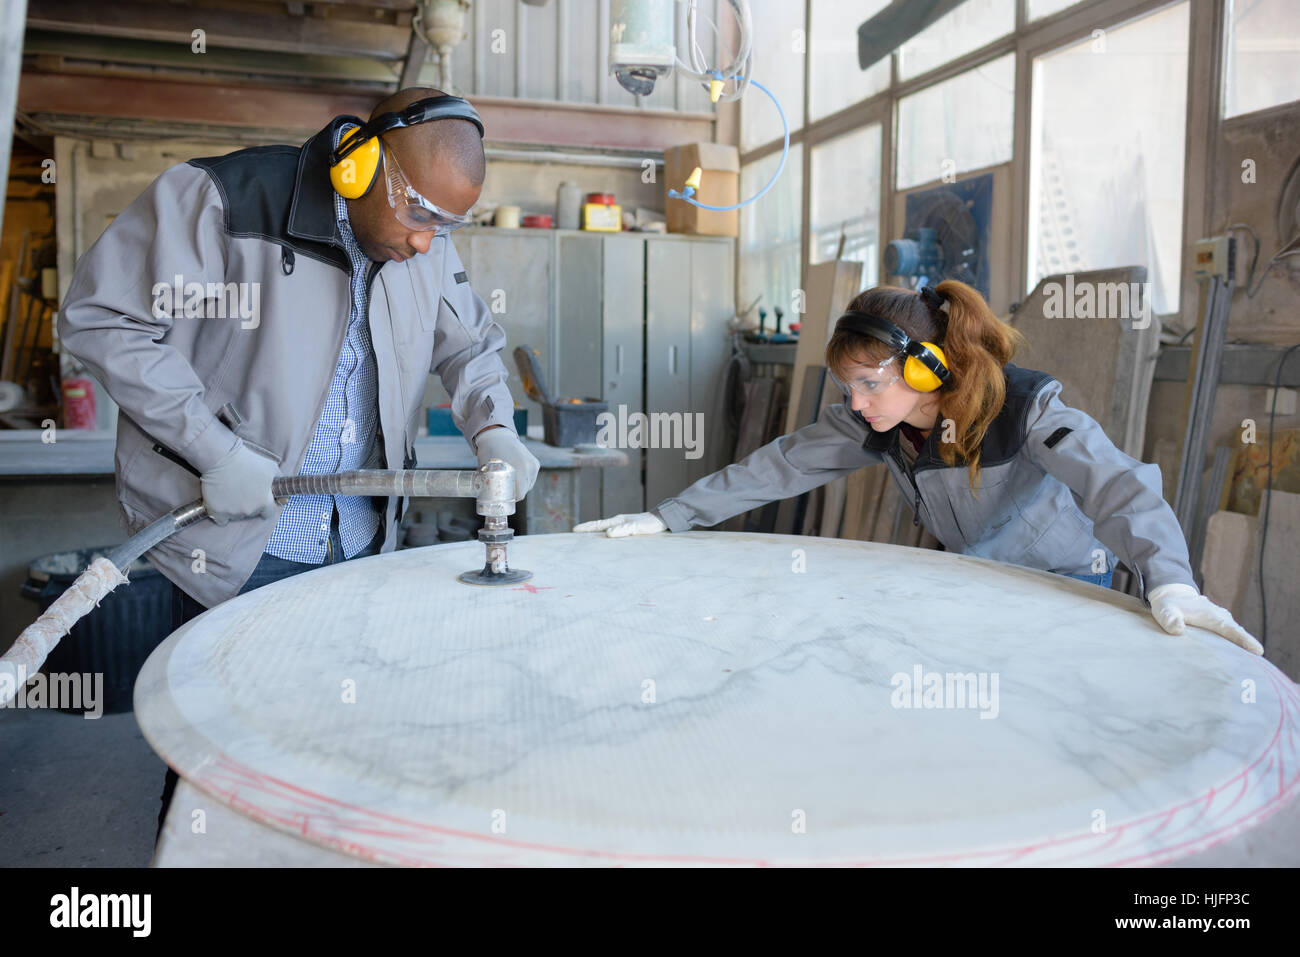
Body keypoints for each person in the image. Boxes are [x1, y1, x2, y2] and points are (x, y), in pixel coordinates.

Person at [57, 87, 540, 843]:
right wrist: (212, 448)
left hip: (358, 551)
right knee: (220, 773)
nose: (427, 242)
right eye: (420, 214)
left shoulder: (423, 245)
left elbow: (471, 345)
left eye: (448, 225)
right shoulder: (224, 203)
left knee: (331, 759)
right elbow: (100, 317)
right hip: (240, 551)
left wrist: (497, 430)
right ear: (362, 166)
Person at [575, 280, 1260, 655]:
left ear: (926, 366)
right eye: (848, 385)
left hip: (1069, 591)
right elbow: (779, 467)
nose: (856, 401)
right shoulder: (881, 424)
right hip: (986, 585)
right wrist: (670, 516)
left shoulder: (1021, 407)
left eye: (870, 383)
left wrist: (1171, 580)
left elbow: (1118, 482)